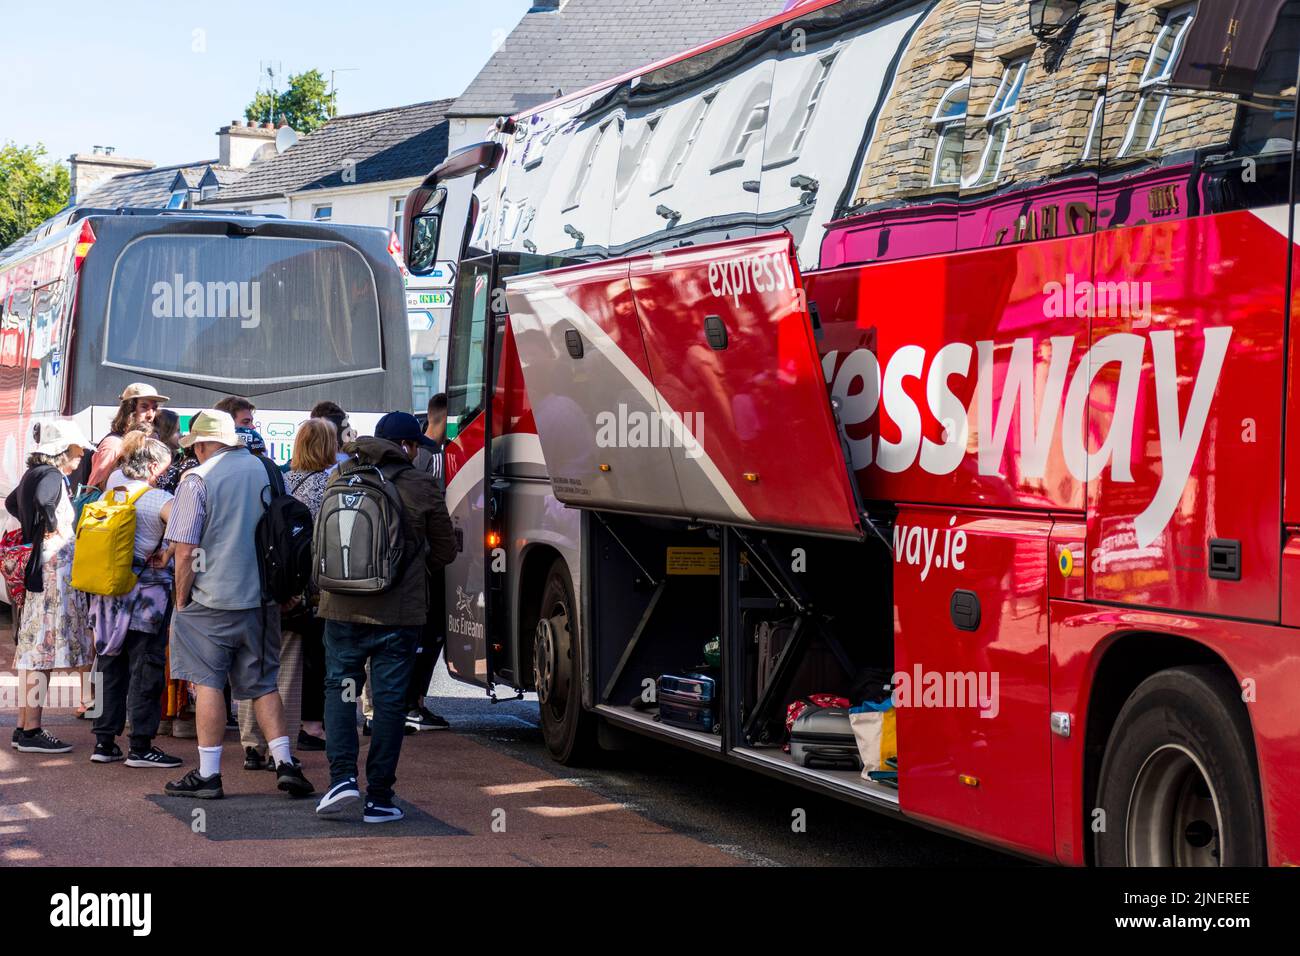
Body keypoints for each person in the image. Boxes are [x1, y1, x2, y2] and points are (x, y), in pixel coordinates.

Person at [161, 409, 313, 800]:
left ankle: (209, 774)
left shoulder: (197, 479)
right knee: (263, 684)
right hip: (261, 599)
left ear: (202, 443)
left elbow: (185, 551)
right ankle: (285, 763)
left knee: (208, 682)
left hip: (211, 599)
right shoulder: (266, 470)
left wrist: (181, 600)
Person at [314, 411, 454, 823]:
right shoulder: (420, 484)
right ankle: (379, 798)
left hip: (340, 608)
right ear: (408, 446)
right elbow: (445, 552)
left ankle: (341, 779)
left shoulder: (340, 477)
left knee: (340, 694)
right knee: (390, 704)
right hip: (398, 616)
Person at [87, 439, 183, 769]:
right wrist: (168, 551)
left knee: (109, 663)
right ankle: (141, 746)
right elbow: (184, 529)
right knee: (146, 664)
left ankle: (103, 741)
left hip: (107, 594)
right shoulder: (158, 498)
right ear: (154, 468)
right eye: (165, 467)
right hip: (146, 597)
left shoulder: (110, 493)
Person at [5, 420, 93, 754]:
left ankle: (24, 725)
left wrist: (33, 527)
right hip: (53, 571)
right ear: (62, 450)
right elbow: (43, 500)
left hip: (39, 571)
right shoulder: (53, 477)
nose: (81, 454)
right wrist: (51, 524)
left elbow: (13, 502)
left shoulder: (32, 474)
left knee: (31, 652)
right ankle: (33, 729)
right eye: (76, 449)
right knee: (41, 654)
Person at [283, 419, 338, 749]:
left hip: (287, 580)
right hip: (317, 583)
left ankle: (287, 722)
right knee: (318, 656)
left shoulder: (285, 479)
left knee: (289, 658)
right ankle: (313, 725)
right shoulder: (327, 483)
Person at [83, 383, 169, 490]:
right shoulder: (113, 445)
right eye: (144, 407)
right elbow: (92, 492)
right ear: (129, 409)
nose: (150, 415)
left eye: (154, 408)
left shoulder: (151, 441)